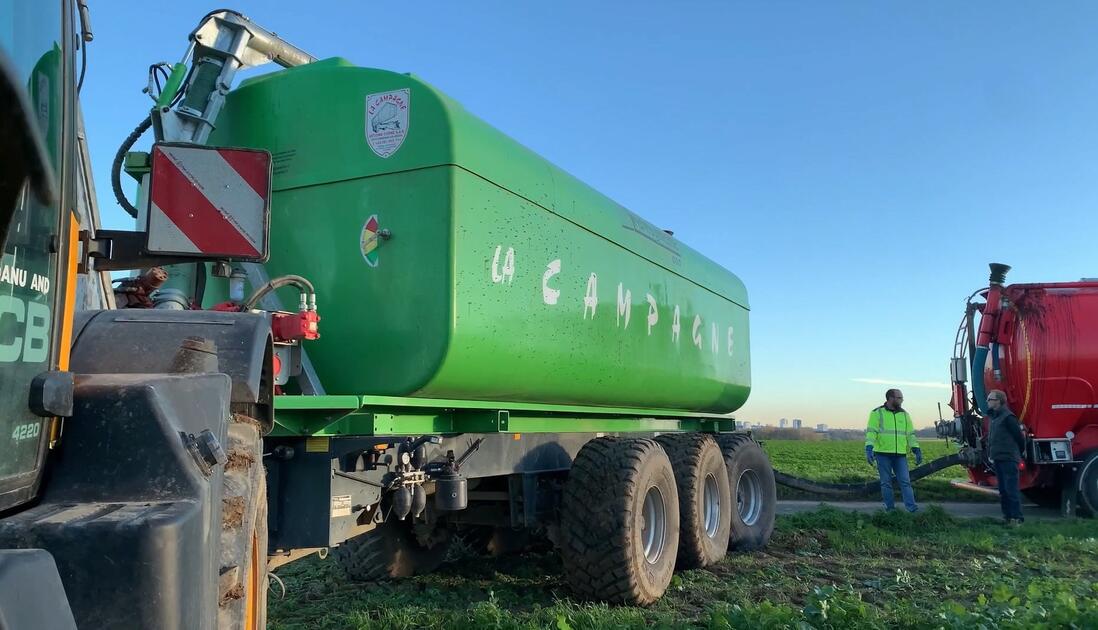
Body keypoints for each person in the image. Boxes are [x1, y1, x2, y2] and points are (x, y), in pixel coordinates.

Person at [864, 389, 923, 512]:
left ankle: (912, 509)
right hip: (882, 454)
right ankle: (890, 510)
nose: (901, 400)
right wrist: (869, 447)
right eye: (899, 398)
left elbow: (910, 434)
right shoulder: (877, 413)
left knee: (905, 482)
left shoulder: (905, 415)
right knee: (886, 483)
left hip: (900, 455)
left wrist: (916, 448)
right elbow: (871, 432)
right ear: (891, 398)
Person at [987, 389, 1026, 526]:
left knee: (1011, 489)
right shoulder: (994, 417)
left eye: (990, 399)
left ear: (998, 401)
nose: (988, 401)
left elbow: (1019, 437)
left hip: (1009, 458)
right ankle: (1007, 517)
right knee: (1003, 490)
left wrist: (1019, 453)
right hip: (998, 457)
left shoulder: (1008, 417)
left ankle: (1017, 518)